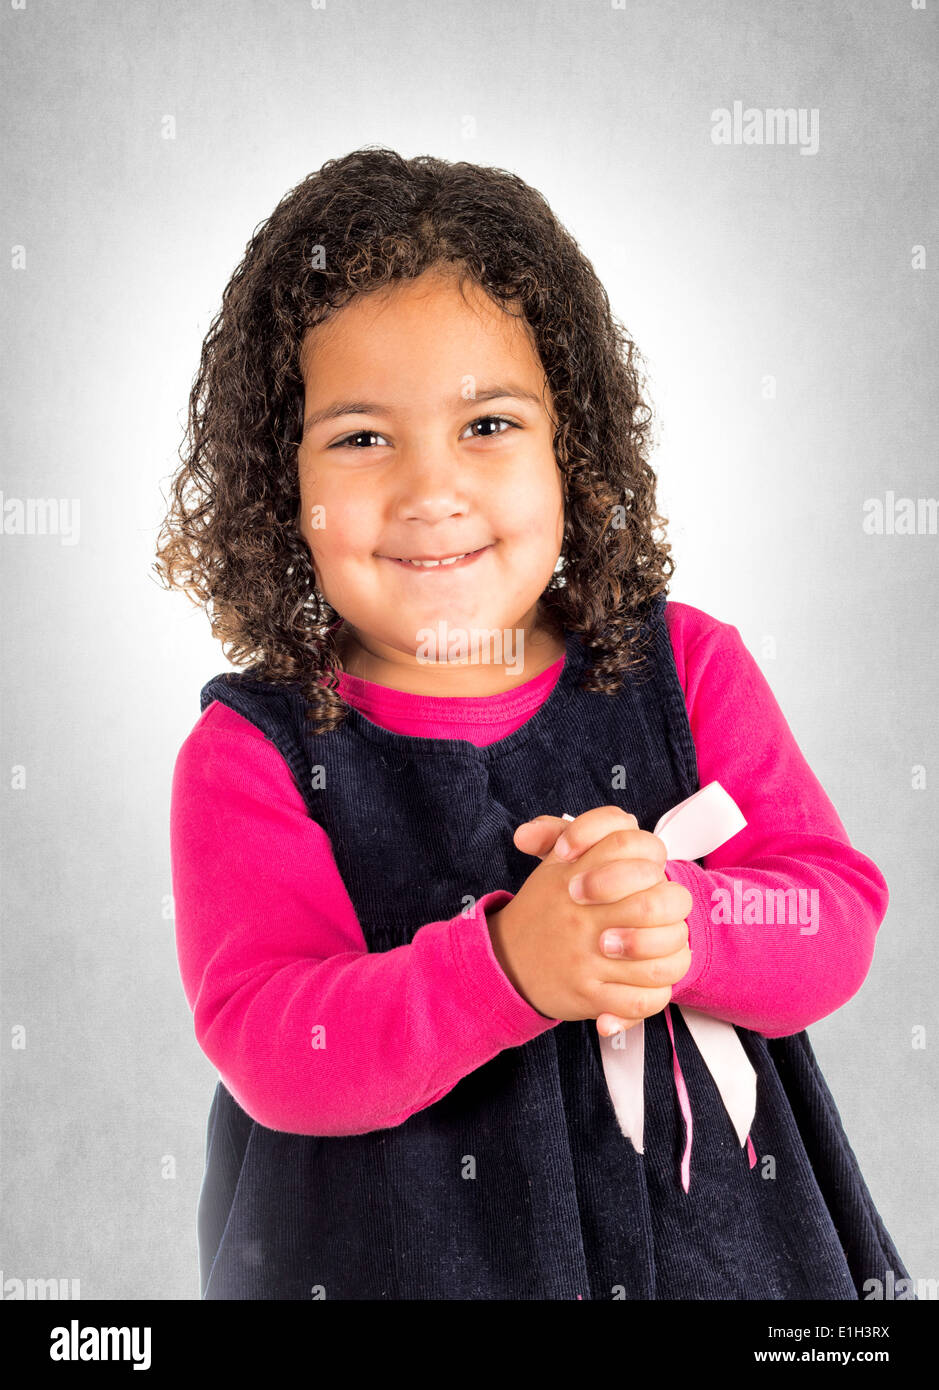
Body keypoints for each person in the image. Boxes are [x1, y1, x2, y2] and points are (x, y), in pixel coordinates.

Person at [155, 146, 911, 1300]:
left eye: (490, 424)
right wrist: (505, 966)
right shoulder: (253, 755)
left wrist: (679, 921)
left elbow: (832, 912)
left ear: (575, 448)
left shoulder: (686, 668)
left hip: (714, 1261)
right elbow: (272, 1039)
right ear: (277, 484)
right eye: (362, 437)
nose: (430, 490)